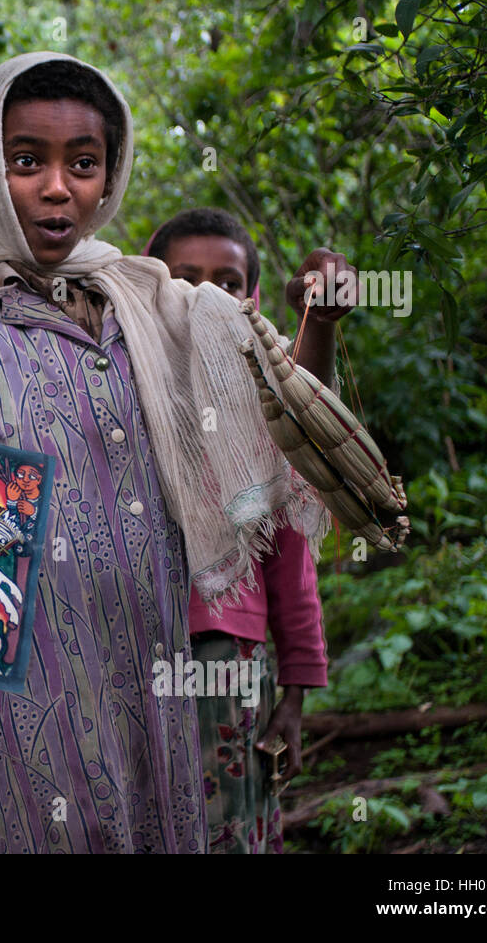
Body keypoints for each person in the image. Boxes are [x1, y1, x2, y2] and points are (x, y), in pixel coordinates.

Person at [0, 53, 340, 854]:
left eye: (82, 164)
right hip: (10, 710)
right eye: (28, 161)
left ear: (109, 175)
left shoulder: (159, 306)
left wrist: (322, 321)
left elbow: (284, 431)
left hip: (150, 679)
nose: (57, 187)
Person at [145, 207, 338, 853]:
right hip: (125, 646)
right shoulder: (116, 384)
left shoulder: (261, 399)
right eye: (184, 276)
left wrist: (297, 694)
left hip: (227, 659)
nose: (204, 294)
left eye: (226, 282)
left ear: (250, 297)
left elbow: (289, 553)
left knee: (226, 825)